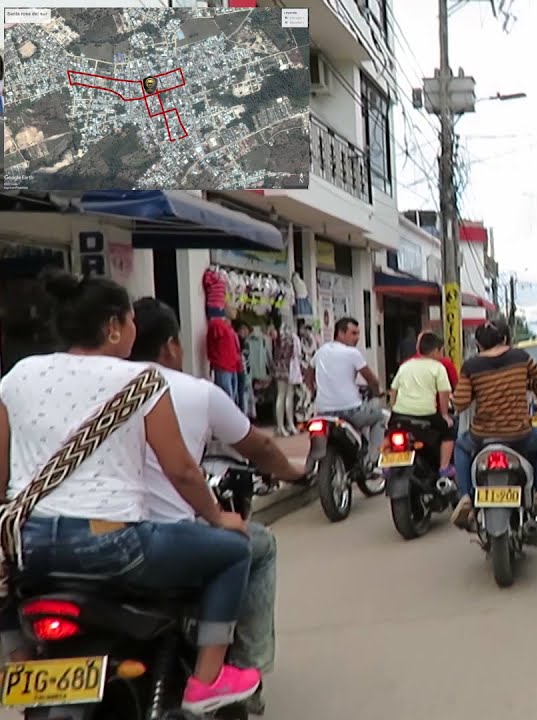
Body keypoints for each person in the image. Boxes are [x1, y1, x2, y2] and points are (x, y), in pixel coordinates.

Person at [0, 270, 259, 712]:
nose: (135, 330)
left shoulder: (17, 375)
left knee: (3, 578)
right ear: (113, 327)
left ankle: (23, 666)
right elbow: (182, 470)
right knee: (234, 552)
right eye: (130, 320)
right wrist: (219, 518)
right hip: (113, 544)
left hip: (29, 545)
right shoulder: (141, 380)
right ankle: (208, 680)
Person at [129, 298, 308, 716]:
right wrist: (294, 473)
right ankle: (247, 669)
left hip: (80, 533)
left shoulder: (95, 389)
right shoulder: (192, 391)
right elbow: (258, 445)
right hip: (163, 536)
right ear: (171, 346)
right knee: (254, 545)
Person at [449, 320, 537, 529]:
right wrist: (535, 391)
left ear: (478, 345)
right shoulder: (521, 358)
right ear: (506, 339)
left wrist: (458, 398)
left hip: (482, 437)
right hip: (520, 436)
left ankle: (465, 498)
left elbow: (461, 403)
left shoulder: (471, 366)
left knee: (461, 445)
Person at [307, 317, 386, 471]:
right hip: (351, 411)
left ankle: (311, 467)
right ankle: (373, 460)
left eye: (358, 334)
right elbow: (372, 380)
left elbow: (308, 376)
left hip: (323, 411)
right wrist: (378, 393)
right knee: (380, 416)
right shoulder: (352, 353)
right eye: (353, 333)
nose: (357, 338)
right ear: (340, 333)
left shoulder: (321, 351)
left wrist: (314, 392)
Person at [389, 333, 454, 476]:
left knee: (389, 432)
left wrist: (393, 409)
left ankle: (387, 464)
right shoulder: (438, 367)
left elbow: (393, 390)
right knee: (448, 432)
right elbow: (444, 393)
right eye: (441, 351)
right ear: (436, 350)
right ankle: (444, 467)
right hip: (426, 415)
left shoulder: (405, 366)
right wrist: (444, 415)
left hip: (400, 415)